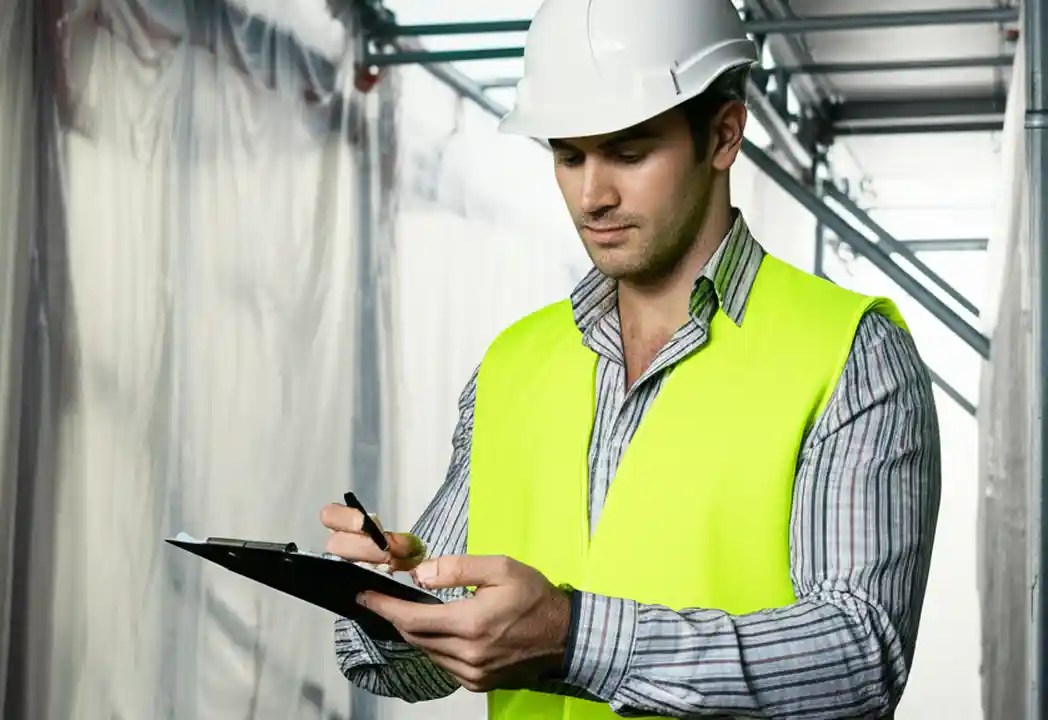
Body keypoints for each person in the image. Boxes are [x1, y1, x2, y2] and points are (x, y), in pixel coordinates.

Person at [320, 0, 942, 717]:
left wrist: (577, 639)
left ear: (723, 136)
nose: (593, 195)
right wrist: (392, 598)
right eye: (568, 155)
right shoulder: (513, 365)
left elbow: (860, 659)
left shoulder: (849, 354)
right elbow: (422, 667)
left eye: (629, 151)